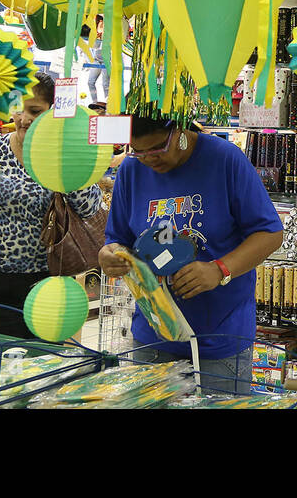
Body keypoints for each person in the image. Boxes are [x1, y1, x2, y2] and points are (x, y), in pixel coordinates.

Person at [99, 115, 284, 394]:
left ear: (180, 129)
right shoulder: (131, 170)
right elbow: (118, 238)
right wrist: (109, 255)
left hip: (219, 337)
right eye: (138, 151)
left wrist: (219, 269)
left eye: (158, 148)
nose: (149, 159)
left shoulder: (224, 160)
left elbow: (270, 233)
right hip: (154, 334)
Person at [0, 71, 105, 340]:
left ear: (53, 112)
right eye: (18, 109)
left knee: (40, 375)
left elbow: (90, 207)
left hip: (45, 293)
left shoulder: (62, 156)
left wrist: (66, 161)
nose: (24, 119)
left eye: (35, 111)